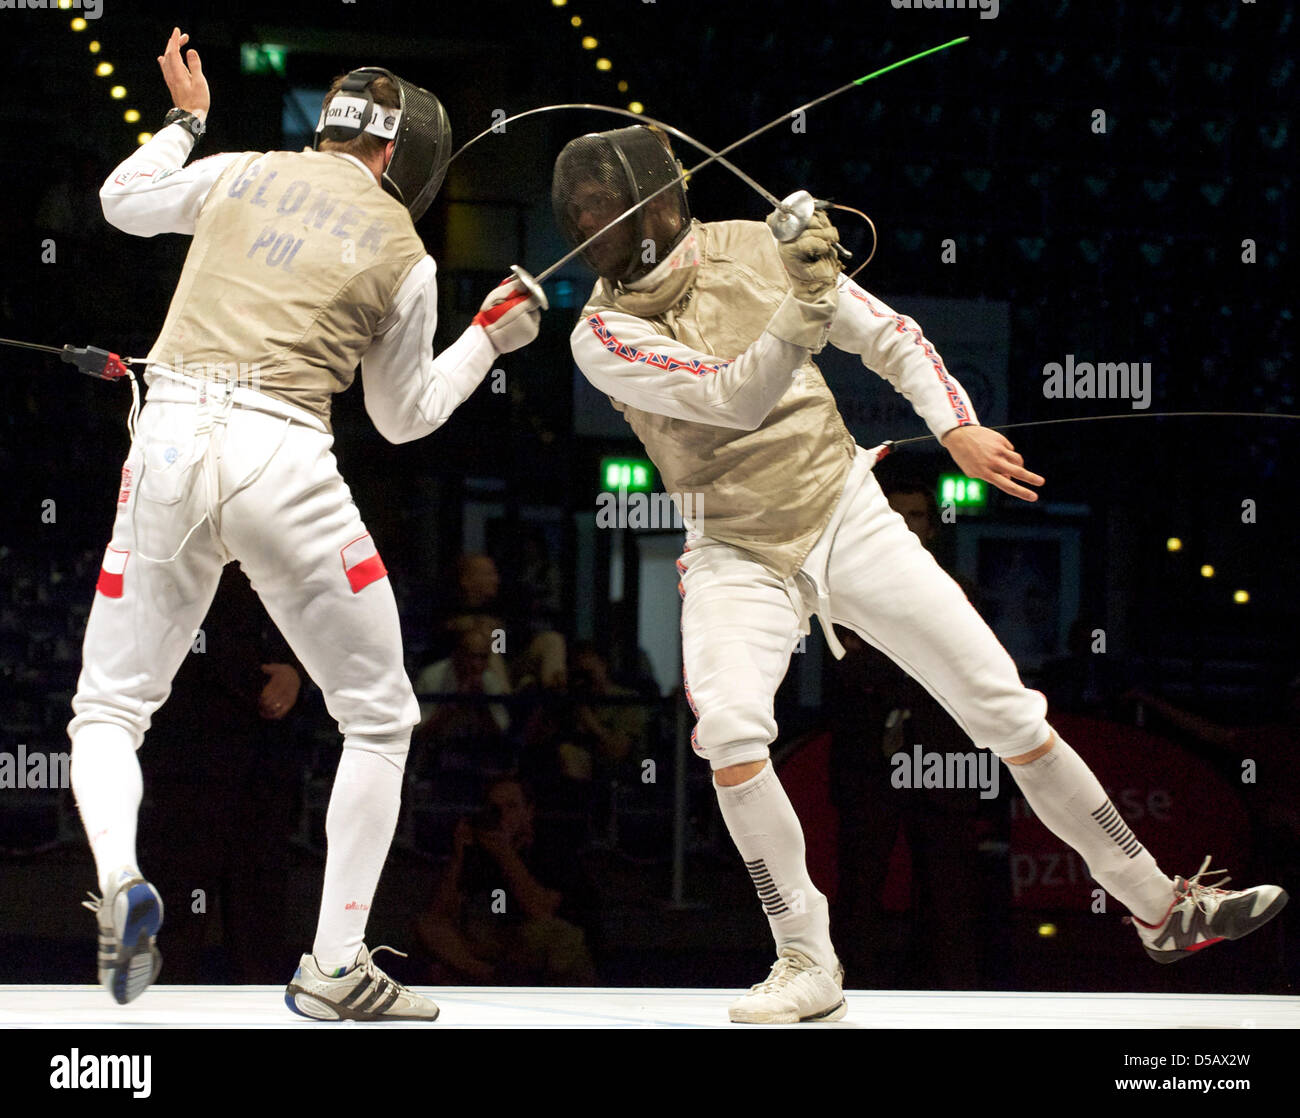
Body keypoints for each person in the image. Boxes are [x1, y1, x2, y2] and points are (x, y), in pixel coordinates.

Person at [552, 124, 1288, 1023]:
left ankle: (1160, 906)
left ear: (666, 198)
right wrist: (803, 307)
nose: (611, 224)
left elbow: (891, 336)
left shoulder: (754, 242)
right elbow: (729, 398)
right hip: (733, 547)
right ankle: (804, 960)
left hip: (844, 508)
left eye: (621, 205)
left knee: (1005, 708)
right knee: (733, 734)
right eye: (590, 215)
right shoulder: (602, 333)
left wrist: (956, 426)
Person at [68, 29, 544, 1020]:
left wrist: (185, 125)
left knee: (110, 705)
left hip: (165, 440)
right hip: (280, 455)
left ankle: (118, 878)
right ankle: (331, 963)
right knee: (377, 712)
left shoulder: (240, 170)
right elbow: (401, 415)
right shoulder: (405, 253)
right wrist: (489, 335)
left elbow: (120, 201)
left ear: (328, 130)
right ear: (400, 157)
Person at [413, 776, 598, 985]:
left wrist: (504, 852)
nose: (503, 815)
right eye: (495, 808)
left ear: (529, 811)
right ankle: (485, 974)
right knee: (428, 927)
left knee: (553, 934)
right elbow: (437, 915)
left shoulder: (552, 848)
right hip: (494, 944)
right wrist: (459, 855)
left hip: (544, 943)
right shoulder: (480, 849)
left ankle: (485, 976)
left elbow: (540, 910)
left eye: (511, 806)